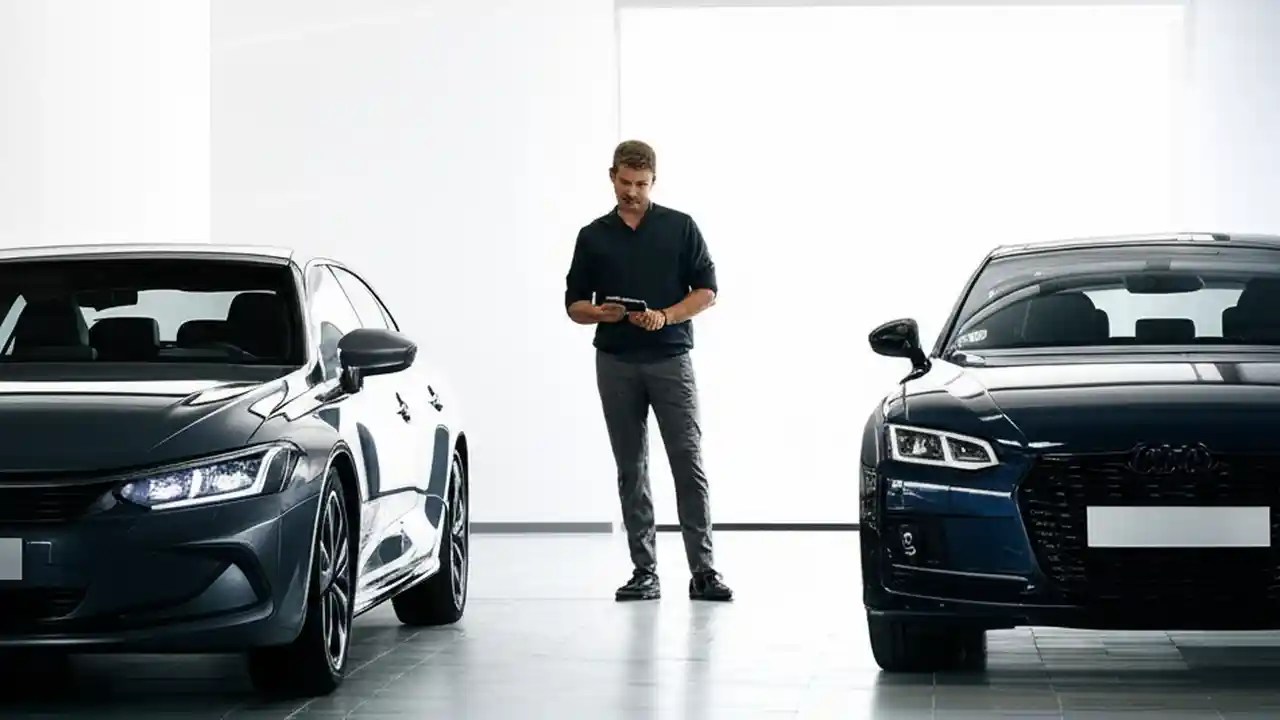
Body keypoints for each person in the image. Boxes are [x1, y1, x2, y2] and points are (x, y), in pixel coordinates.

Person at [563, 139, 733, 602]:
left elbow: (708, 291)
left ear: (653, 181)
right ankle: (644, 572)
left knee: (688, 462)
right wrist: (605, 313)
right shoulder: (593, 235)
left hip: (670, 359)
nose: (632, 192)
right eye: (625, 182)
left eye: (641, 184)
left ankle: (704, 571)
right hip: (616, 362)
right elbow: (574, 305)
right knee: (631, 466)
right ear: (612, 176)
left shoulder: (680, 228)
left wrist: (667, 315)